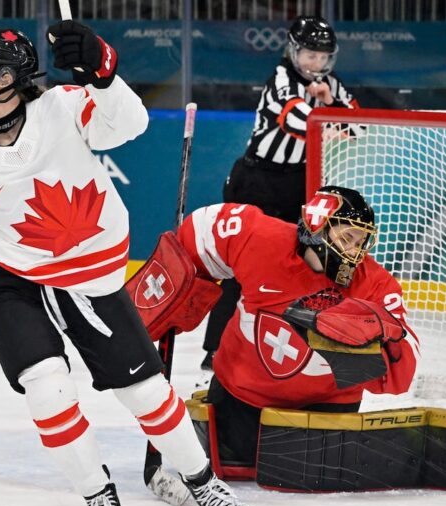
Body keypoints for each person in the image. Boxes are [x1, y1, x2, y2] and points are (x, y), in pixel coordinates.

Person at [0, 24, 252, 506]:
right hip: (13, 282)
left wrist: (103, 72)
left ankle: (201, 480)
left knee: (146, 392)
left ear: (9, 81)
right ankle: (100, 498)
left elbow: (129, 123)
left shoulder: (64, 108)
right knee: (46, 388)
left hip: (91, 278)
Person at [176, 187, 419, 466]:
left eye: (361, 242)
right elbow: (198, 230)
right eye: (348, 238)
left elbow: (401, 376)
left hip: (325, 415)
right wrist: (180, 286)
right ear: (319, 225)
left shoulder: (375, 284)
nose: (355, 252)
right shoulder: (260, 237)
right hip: (241, 403)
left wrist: (383, 333)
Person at [201, 15, 360, 375]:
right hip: (256, 179)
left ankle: (283, 341)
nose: (315, 63)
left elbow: (359, 124)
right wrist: (328, 112)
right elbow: (297, 120)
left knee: (296, 265)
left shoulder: (331, 84)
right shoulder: (280, 78)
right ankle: (215, 348)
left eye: (322, 57)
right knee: (239, 267)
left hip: (296, 184)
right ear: (294, 51)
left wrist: (331, 101)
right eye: (309, 55)